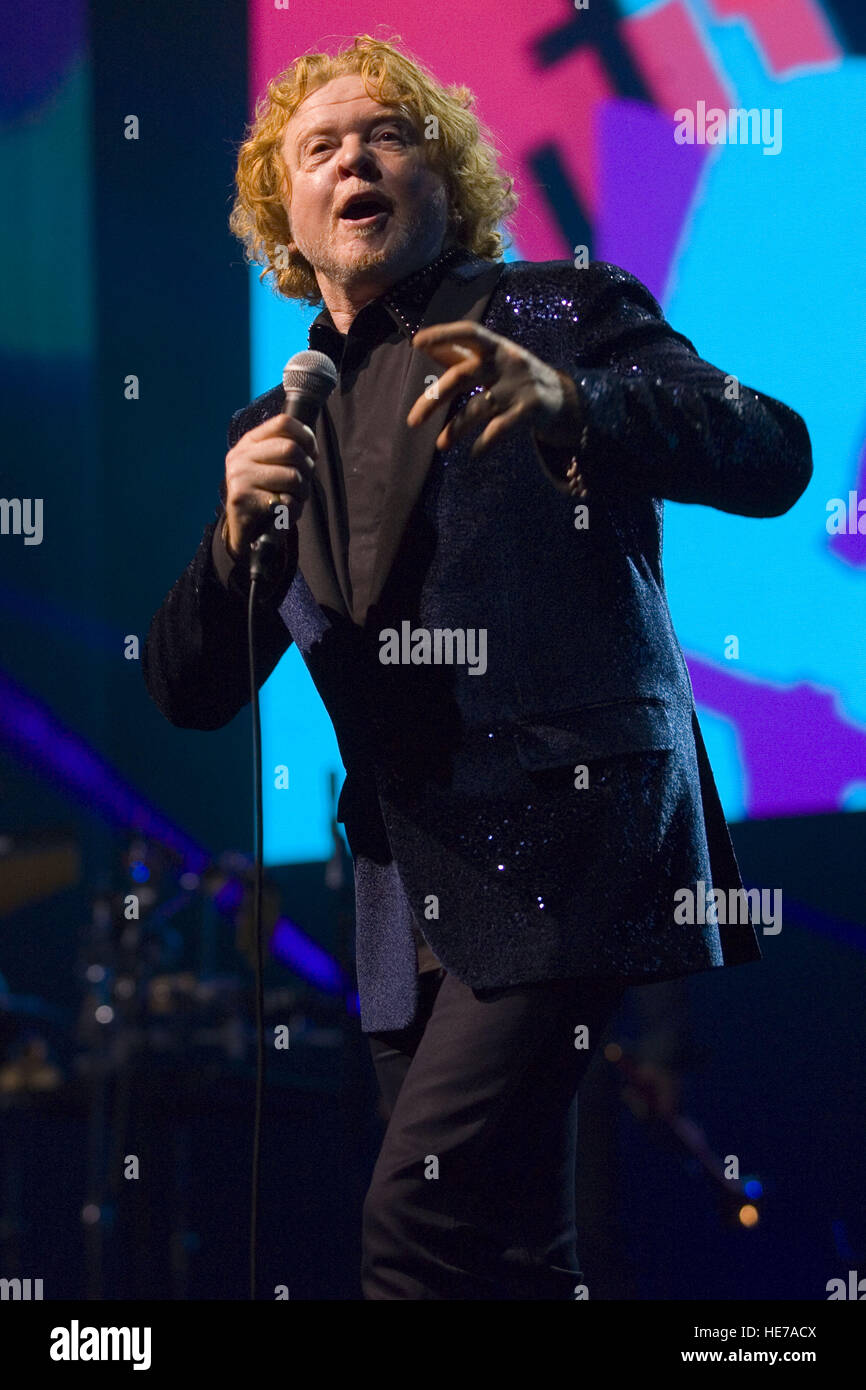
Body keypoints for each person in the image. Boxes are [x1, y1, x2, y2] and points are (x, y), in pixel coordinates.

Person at [142, 35, 812, 1300]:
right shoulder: (277, 426)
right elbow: (186, 689)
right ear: (282, 215)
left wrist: (573, 404)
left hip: (571, 832)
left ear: (444, 179)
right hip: (413, 888)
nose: (352, 159)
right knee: (503, 1252)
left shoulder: (552, 308)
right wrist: (234, 540)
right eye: (316, 148)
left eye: (384, 136)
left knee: (414, 1234)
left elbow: (770, 450)